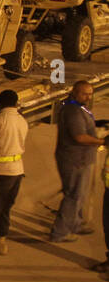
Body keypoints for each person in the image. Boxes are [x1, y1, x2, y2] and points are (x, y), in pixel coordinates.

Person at [50, 80, 106, 243]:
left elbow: (83, 127)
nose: (88, 97)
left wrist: (96, 124)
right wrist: (103, 142)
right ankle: (60, 232)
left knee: (80, 193)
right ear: (75, 92)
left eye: (90, 94)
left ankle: (76, 223)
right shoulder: (73, 111)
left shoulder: (80, 107)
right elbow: (79, 137)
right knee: (73, 194)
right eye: (84, 94)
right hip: (75, 159)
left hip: (82, 158)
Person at [0, 89, 28, 255]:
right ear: (16, 103)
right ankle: (1, 240)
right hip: (17, 170)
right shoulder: (22, 120)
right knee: (6, 207)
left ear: (0, 102)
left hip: (1, 171)